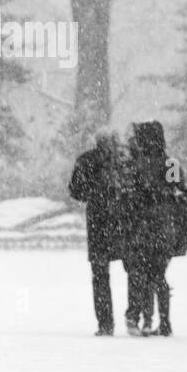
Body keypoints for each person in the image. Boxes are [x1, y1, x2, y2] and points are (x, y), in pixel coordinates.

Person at [123, 121, 187, 336]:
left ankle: (139, 317)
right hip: (165, 226)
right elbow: (177, 192)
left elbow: (129, 195)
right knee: (158, 275)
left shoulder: (136, 164)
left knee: (139, 273)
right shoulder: (170, 164)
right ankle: (163, 321)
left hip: (142, 225)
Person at [69, 130, 126, 336]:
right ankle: (136, 316)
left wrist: (94, 194)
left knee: (100, 274)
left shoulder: (86, 160)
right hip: (125, 221)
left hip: (98, 222)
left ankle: (105, 323)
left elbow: (75, 190)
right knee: (136, 270)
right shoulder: (125, 160)